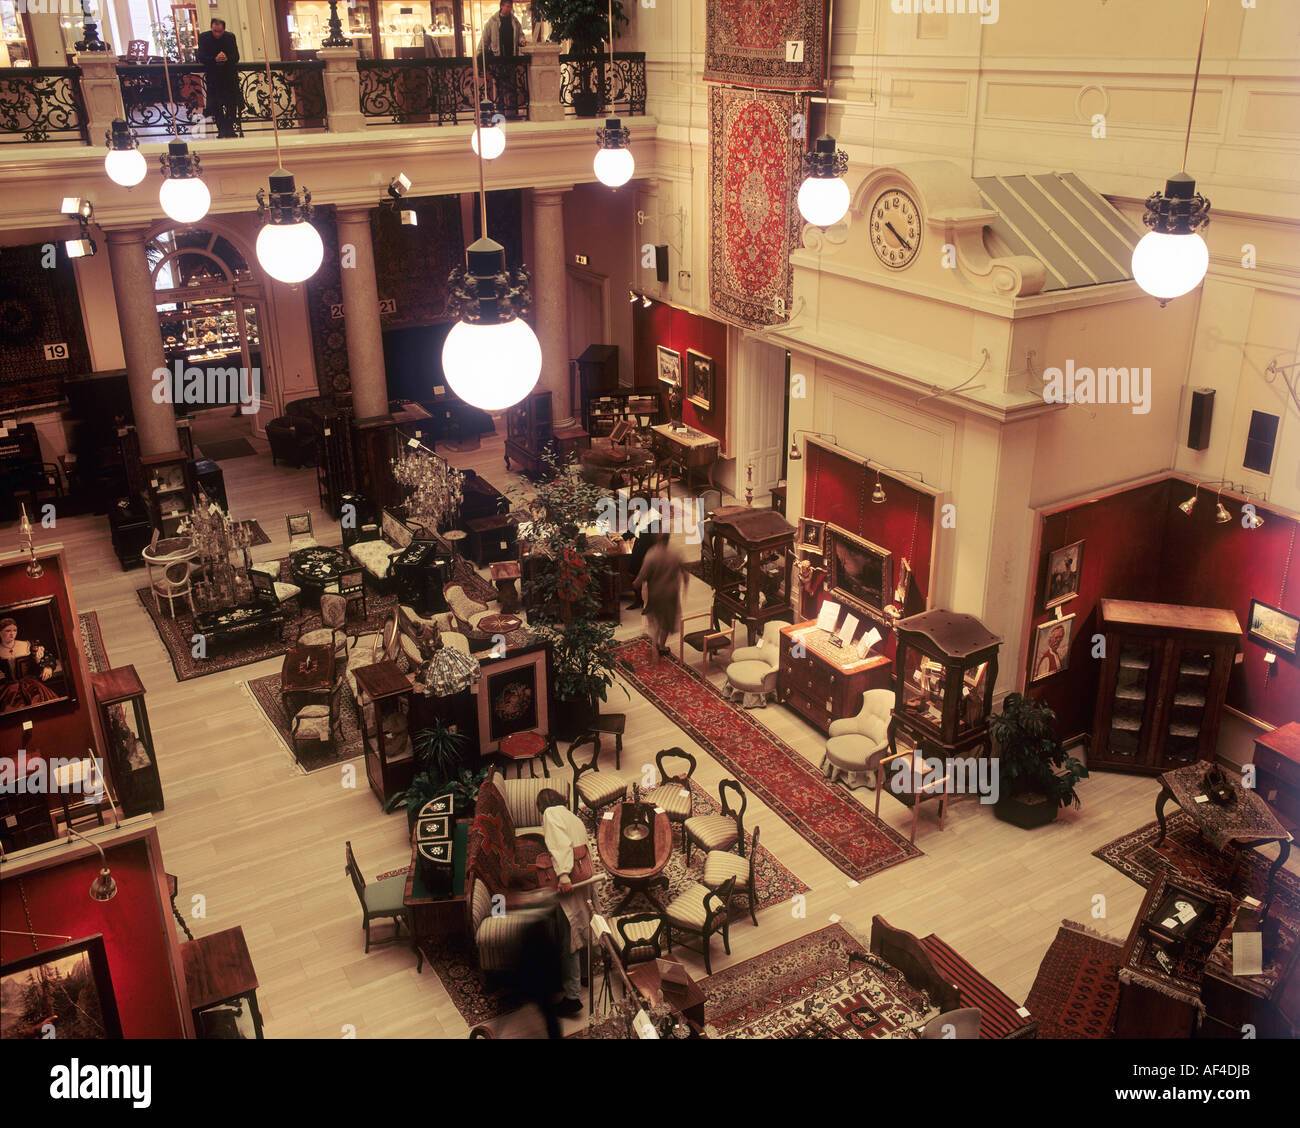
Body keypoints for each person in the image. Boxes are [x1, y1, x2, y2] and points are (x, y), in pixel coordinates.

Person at [537, 787, 591, 1017]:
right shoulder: (573, 816)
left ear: (541, 806)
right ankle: (585, 975)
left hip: (570, 879)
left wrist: (563, 875)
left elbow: (560, 845)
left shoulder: (550, 815)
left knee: (569, 935)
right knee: (582, 925)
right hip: (585, 876)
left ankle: (572, 997)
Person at [634, 531, 688, 663]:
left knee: (656, 622)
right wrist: (685, 589)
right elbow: (685, 573)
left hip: (656, 593)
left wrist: (636, 583)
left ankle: (654, 647)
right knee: (666, 621)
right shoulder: (675, 552)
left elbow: (643, 575)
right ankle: (662, 646)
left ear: (657, 539)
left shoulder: (652, 554)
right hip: (671, 593)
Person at [0, 618, 61, 713]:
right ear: (0, 632)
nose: (12, 634)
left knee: (40, 703)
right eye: (8, 631)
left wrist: (47, 667)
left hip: (30, 685)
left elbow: (47, 657)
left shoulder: (27, 645)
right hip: (8, 689)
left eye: (14, 630)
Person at [479, 1, 526, 116]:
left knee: (512, 84)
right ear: (502, 6)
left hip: (511, 57)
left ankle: (512, 110)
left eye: (511, 7)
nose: (510, 9)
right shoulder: (492, 21)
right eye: (508, 6)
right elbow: (485, 38)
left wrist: (522, 40)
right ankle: (500, 110)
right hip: (498, 57)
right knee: (499, 84)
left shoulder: (514, 21)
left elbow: (520, 34)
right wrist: (479, 53)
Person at [196, 18, 240, 139]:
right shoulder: (204, 37)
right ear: (211, 28)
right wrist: (214, 59)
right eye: (215, 31)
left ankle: (230, 129)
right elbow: (201, 57)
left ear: (224, 30)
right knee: (216, 105)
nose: (217, 34)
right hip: (214, 78)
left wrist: (226, 58)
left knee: (231, 104)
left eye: (220, 31)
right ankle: (221, 129)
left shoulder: (230, 37)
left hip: (229, 76)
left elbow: (236, 56)